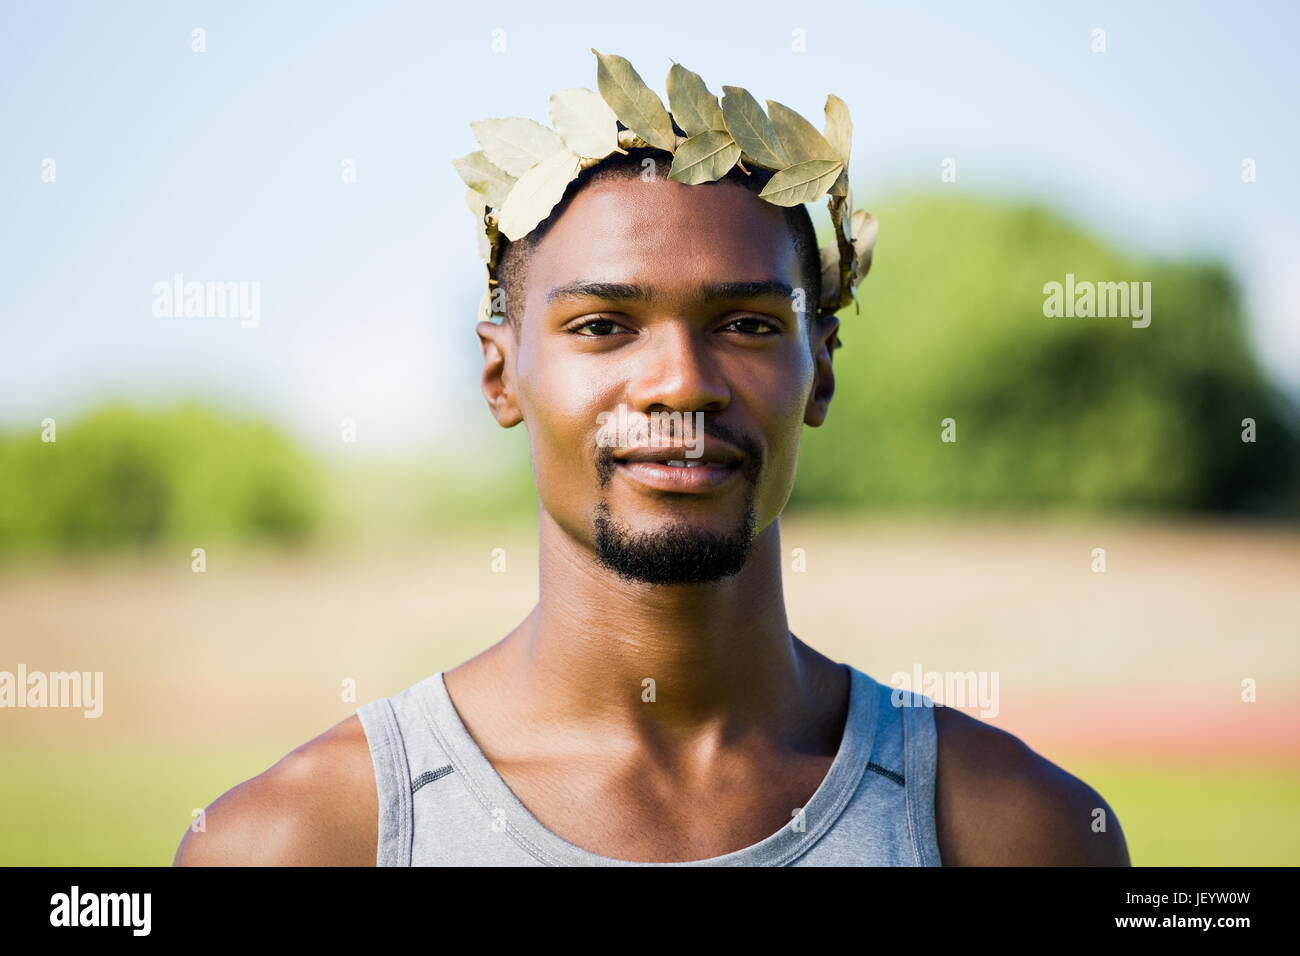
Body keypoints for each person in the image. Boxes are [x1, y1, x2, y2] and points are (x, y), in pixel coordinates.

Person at [174, 55, 1129, 867]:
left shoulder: (1014, 831)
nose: (680, 383)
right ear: (502, 376)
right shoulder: (305, 840)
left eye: (748, 324)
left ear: (822, 368)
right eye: (603, 326)